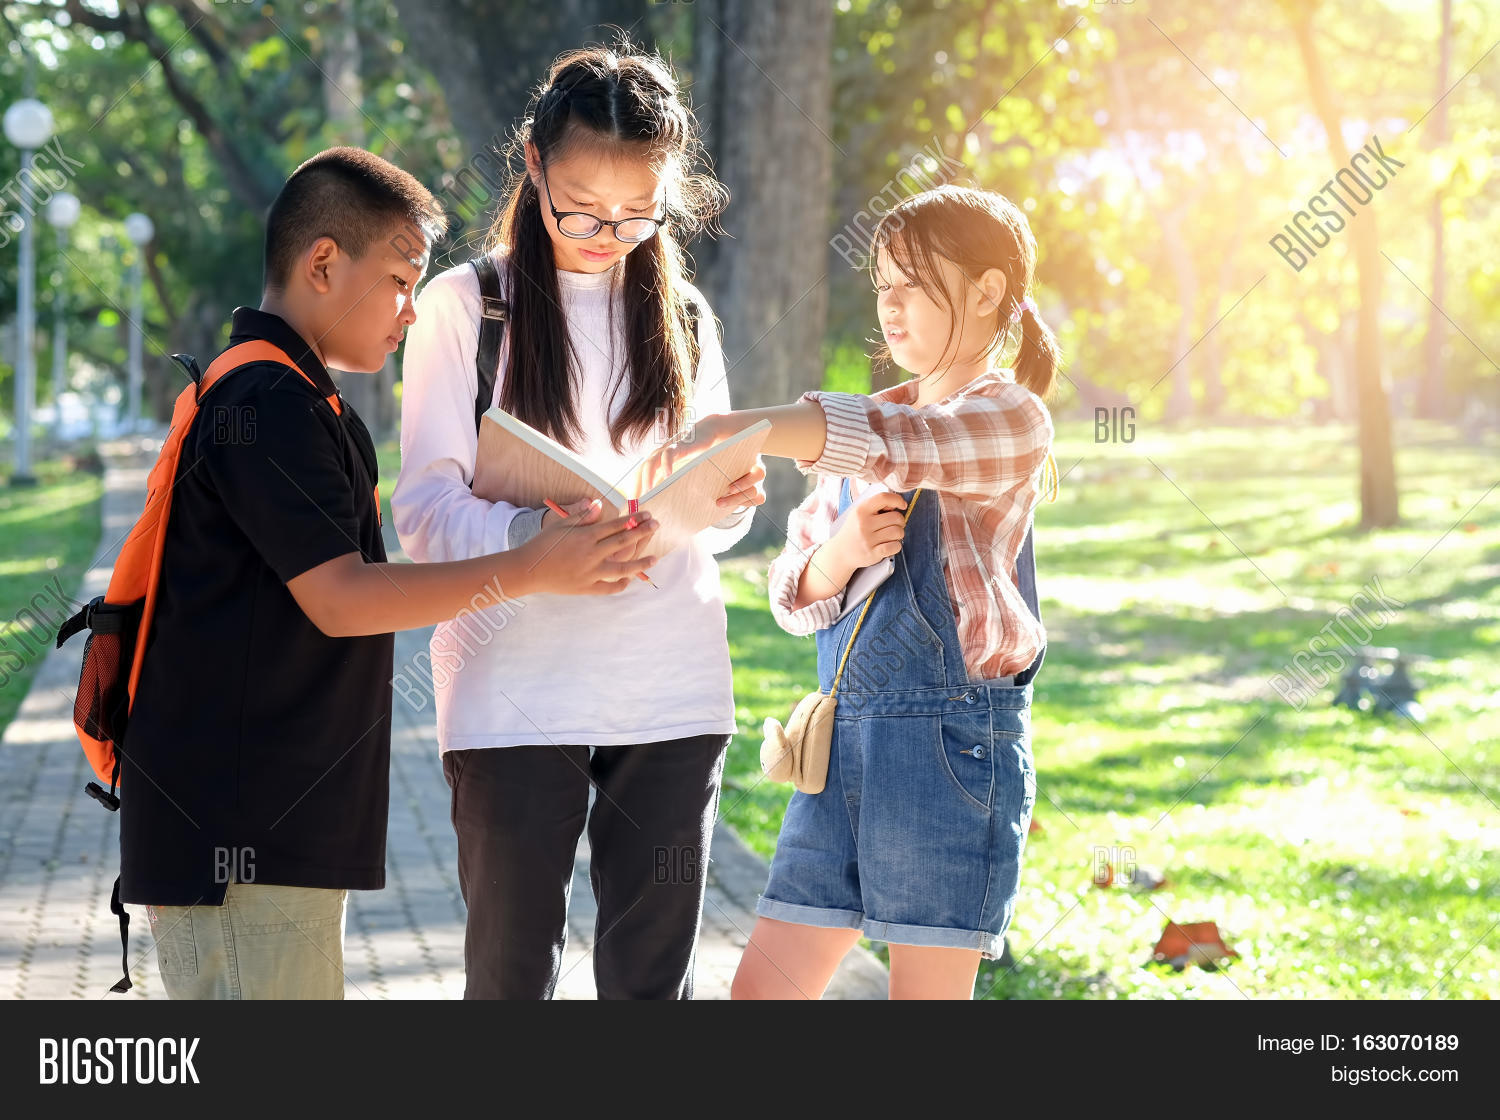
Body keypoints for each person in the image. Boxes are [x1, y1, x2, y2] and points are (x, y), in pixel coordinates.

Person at [125, 146, 659, 1000]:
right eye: (403, 280)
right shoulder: (268, 401)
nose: (412, 311)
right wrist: (528, 566)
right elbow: (340, 599)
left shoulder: (293, 394)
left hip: (260, 831)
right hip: (239, 838)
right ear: (324, 264)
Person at [392, 44, 765, 1000]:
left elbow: (711, 526)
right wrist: (532, 547)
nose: (606, 233)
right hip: (512, 688)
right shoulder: (465, 308)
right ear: (531, 164)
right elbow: (426, 515)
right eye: (581, 209)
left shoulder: (682, 313)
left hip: (671, 687)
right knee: (510, 980)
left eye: (637, 214)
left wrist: (718, 506)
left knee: (651, 988)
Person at [664, 185, 1059, 999]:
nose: (892, 307)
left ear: (987, 292)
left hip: (950, 751)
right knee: (762, 993)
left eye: (914, 283)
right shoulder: (864, 423)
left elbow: (914, 444)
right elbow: (791, 593)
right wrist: (837, 555)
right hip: (841, 746)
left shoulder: (1010, 417)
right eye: (882, 287)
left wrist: (747, 429)